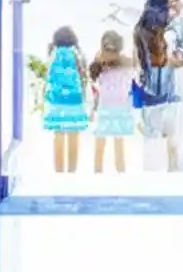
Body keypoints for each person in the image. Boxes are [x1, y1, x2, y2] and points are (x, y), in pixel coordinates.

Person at [133, 0, 183, 171]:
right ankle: (173, 178)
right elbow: (178, 58)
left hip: (149, 92)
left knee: (151, 144)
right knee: (173, 142)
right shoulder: (175, 24)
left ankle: (152, 180)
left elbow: (139, 61)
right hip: (171, 92)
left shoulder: (141, 26)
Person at [42, 26, 90, 173]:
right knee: (74, 135)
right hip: (74, 100)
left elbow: (46, 76)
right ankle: (72, 171)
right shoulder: (77, 53)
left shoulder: (53, 53)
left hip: (56, 101)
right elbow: (84, 76)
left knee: (58, 135)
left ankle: (59, 172)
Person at [89, 30, 137, 173]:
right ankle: (98, 174)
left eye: (112, 48)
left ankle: (120, 175)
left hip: (119, 109)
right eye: (106, 48)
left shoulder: (125, 64)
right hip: (106, 108)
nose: (109, 52)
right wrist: (93, 109)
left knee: (118, 145)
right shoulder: (99, 66)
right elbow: (95, 88)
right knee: (100, 144)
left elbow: (135, 69)